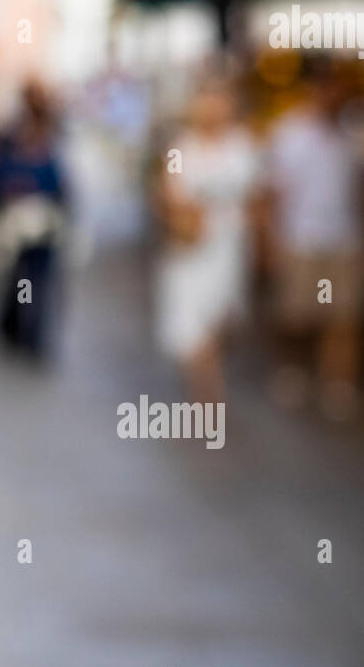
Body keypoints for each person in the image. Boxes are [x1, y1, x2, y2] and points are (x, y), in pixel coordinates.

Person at [154, 74, 262, 401]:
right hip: (191, 249)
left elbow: (258, 196)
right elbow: (166, 195)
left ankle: (208, 383)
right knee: (191, 320)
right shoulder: (181, 146)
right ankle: (206, 390)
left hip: (229, 247)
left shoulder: (242, 145)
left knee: (224, 316)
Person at [265, 60, 362, 421]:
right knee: (297, 314)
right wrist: (273, 241)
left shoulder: (353, 132)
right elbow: (276, 191)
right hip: (301, 239)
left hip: (344, 241)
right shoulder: (290, 134)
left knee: (343, 316)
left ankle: (337, 383)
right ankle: (293, 371)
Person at [0, 81, 69, 359]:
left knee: (37, 280)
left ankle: (32, 335)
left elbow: (62, 185)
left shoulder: (52, 141)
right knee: (17, 279)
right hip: (16, 226)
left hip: (43, 226)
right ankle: (15, 330)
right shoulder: (11, 140)